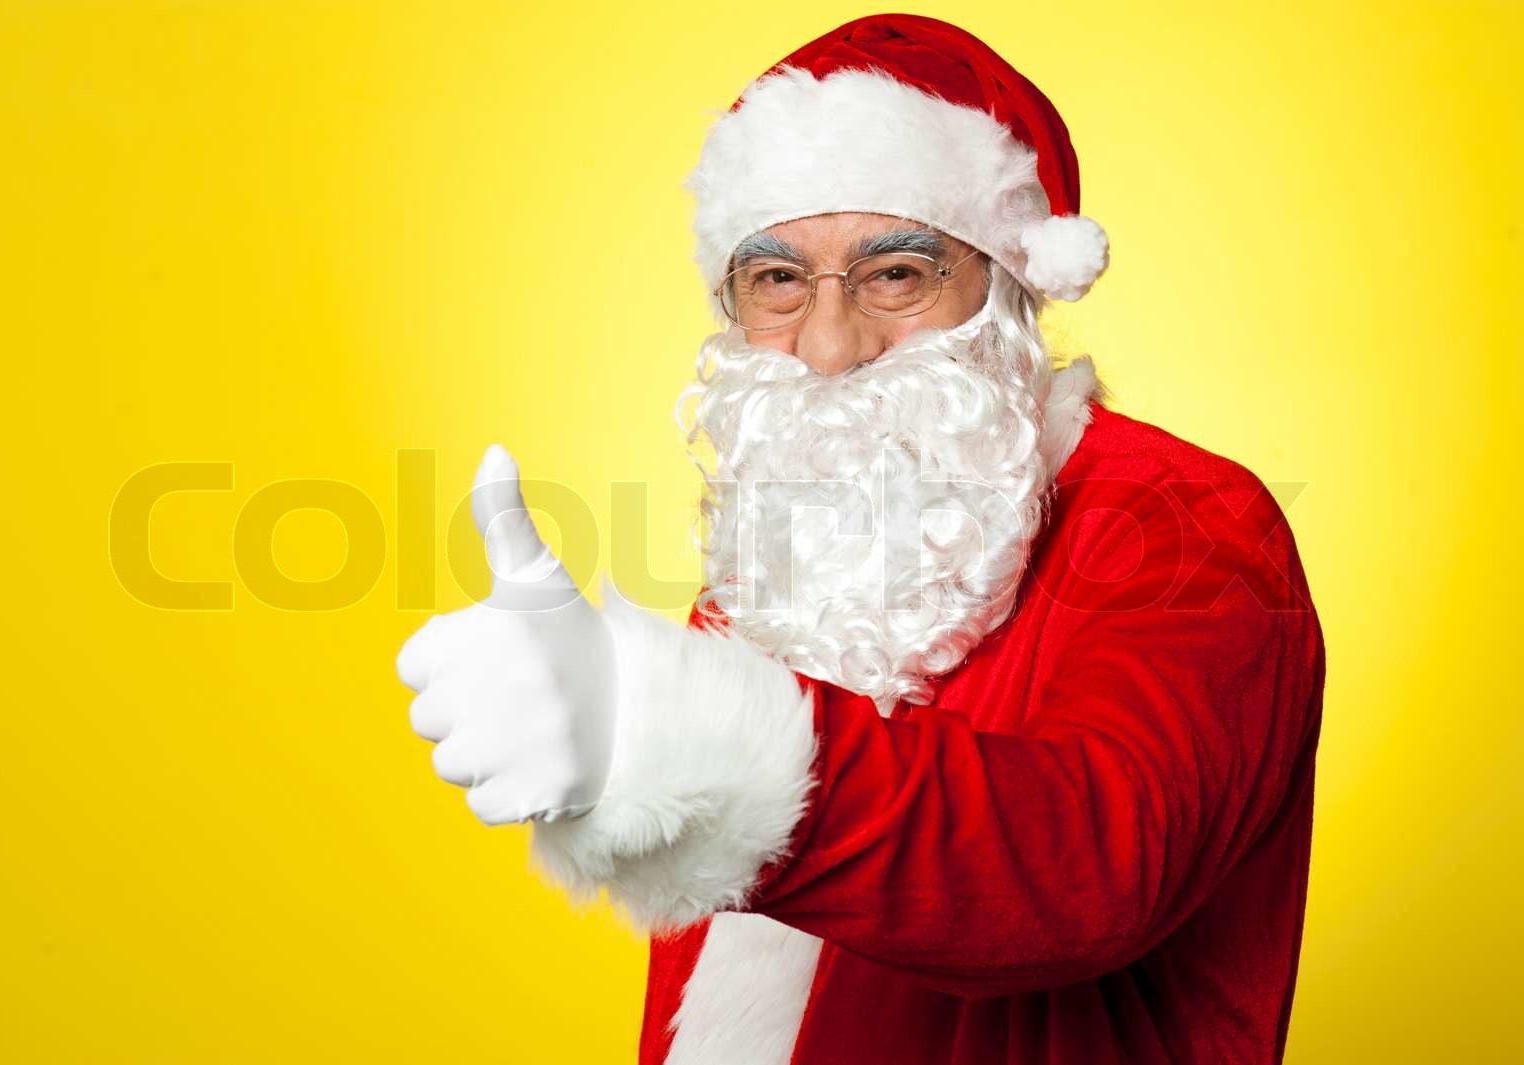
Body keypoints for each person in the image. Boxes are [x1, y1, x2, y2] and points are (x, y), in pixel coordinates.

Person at [395, 13, 1326, 1065]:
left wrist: (669, 727)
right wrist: (618, 755)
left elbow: (1094, 863)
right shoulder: (782, 562)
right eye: (778, 281)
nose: (830, 348)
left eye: (895, 274)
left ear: (1008, 287)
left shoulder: (1180, 519)